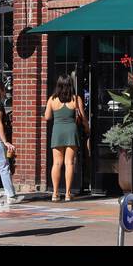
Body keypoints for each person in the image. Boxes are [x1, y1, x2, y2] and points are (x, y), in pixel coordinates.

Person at [43, 74, 86, 202]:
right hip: (71, 131)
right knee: (69, 163)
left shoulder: (52, 99)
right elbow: (82, 117)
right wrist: (87, 127)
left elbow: (47, 117)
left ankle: (55, 193)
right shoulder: (75, 99)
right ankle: (67, 193)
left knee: (56, 163)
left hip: (57, 131)